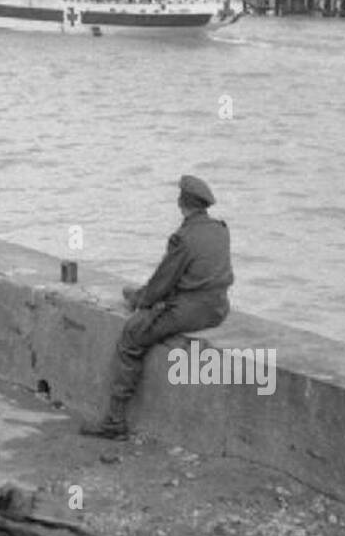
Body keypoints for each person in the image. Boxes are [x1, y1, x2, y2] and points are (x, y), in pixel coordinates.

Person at [80, 174, 234, 440]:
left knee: (131, 337)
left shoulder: (182, 238)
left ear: (181, 203)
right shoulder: (220, 229)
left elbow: (161, 284)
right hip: (218, 309)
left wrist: (137, 299)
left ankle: (115, 422)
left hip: (189, 312)